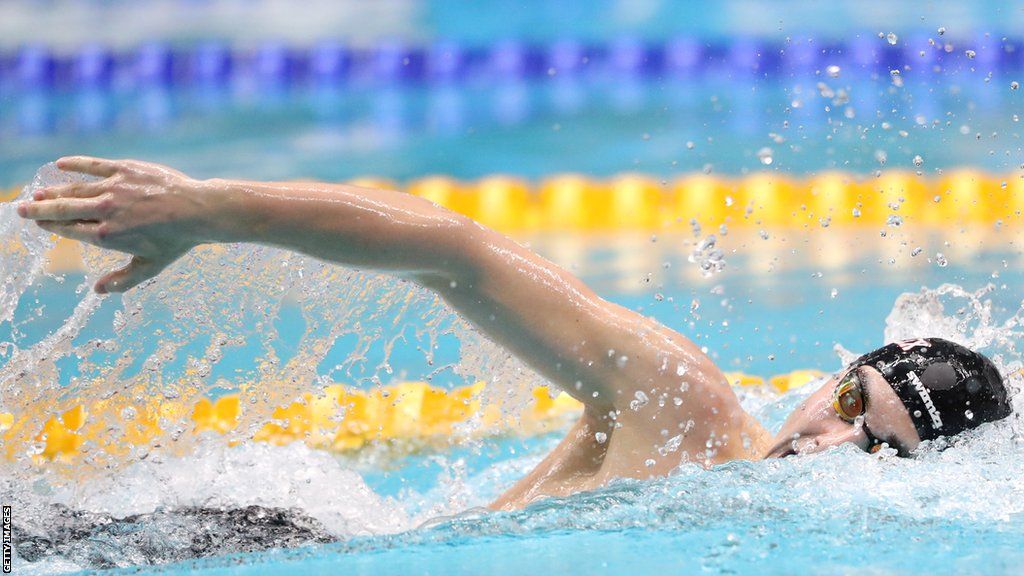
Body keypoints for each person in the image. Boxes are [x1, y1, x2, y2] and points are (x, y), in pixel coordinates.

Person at [17, 156, 1013, 511]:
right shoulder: (684, 412)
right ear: (836, 374)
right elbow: (456, 249)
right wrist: (212, 209)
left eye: (878, 448)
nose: (826, 442)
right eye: (849, 405)